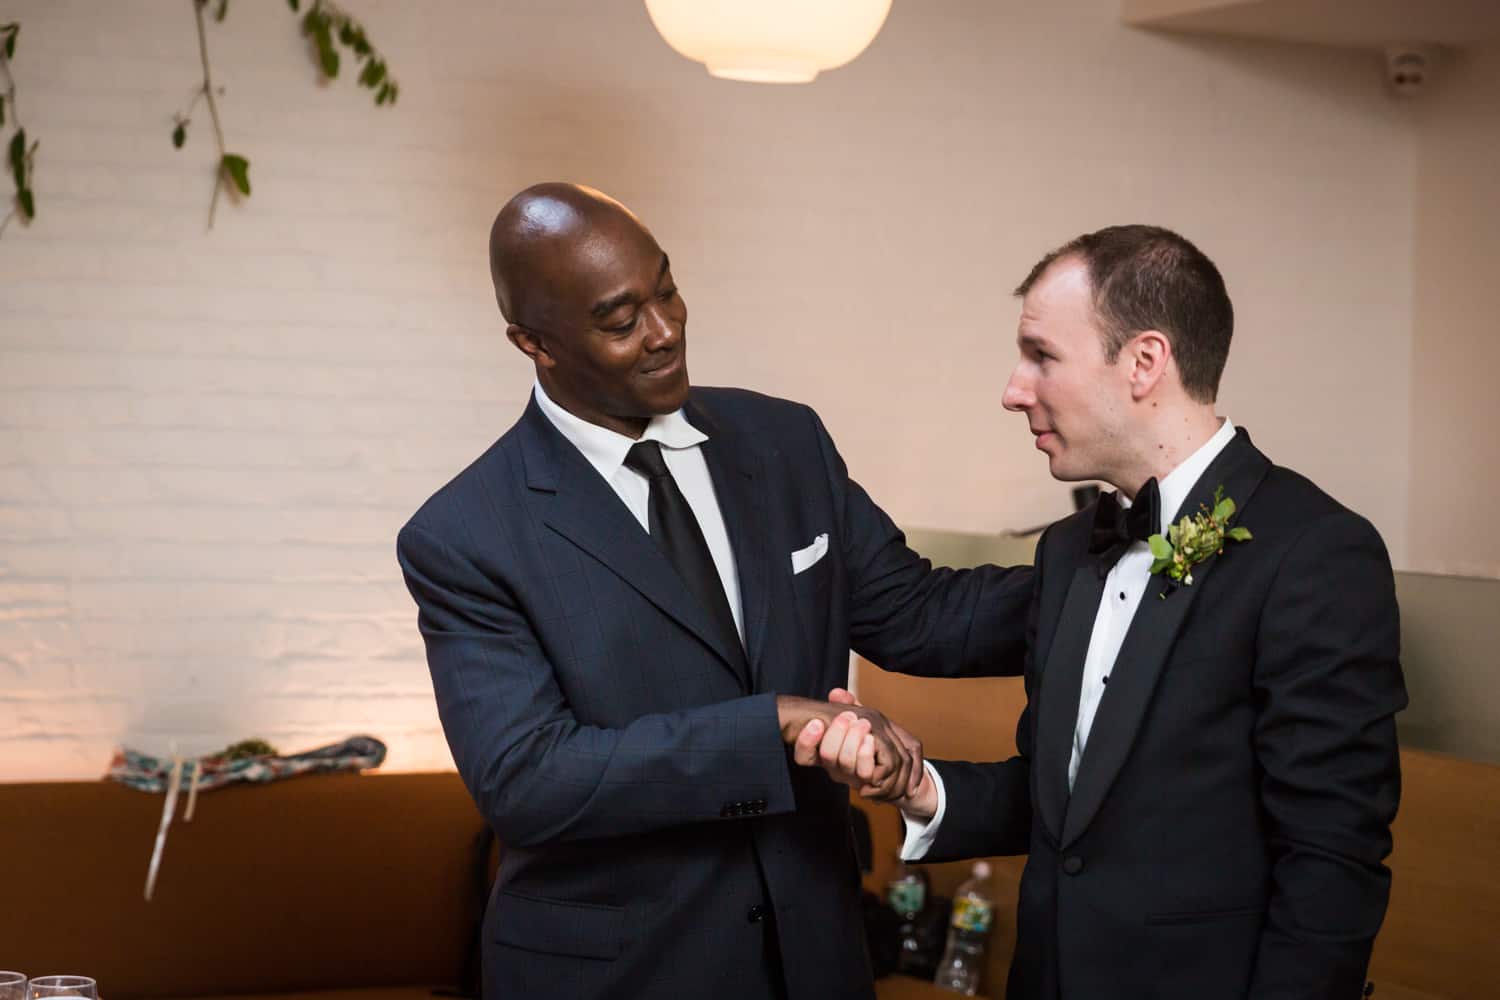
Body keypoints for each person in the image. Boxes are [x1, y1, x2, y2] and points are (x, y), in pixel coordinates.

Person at [395, 182, 1033, 1000]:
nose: (665, 332)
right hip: (619, 975)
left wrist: (1115, 576)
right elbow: (529, 780)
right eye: (622, 321)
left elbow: (920, 615)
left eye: (667, 290)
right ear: (534, 343)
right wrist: (775, 722)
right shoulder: (465, 535)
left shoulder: (786, 441)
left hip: (818, 959)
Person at [801, 225, 1407, 999]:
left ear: (1145, 362)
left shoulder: (1316, 552)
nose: (1014, 390)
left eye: (1042, 355)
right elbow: (1065, 801)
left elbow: (1332, 862)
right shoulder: (1065, 553)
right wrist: (919, 786)